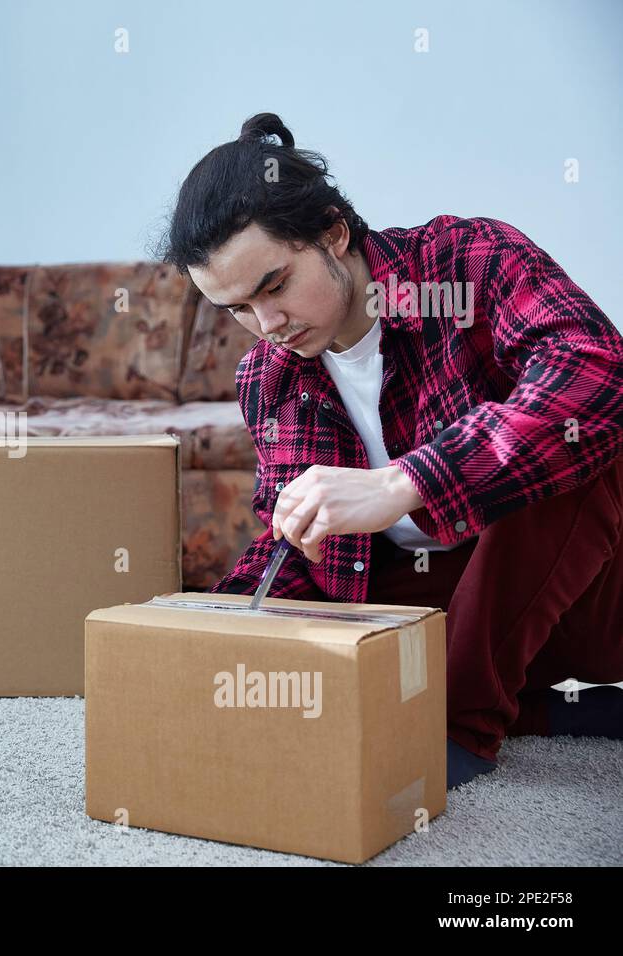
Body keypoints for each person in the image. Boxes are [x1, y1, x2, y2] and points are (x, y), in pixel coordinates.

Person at [156, 112, 623, 789]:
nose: (267, 326)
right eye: (236, 310)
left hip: (581, 596)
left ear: (334, 232)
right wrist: (214, 640)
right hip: (456, 616)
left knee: (573, 450)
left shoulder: (466, 262)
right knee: (314, 592)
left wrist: (404, 483)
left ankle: (453, 726)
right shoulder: (269, 377)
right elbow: (297, 547)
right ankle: (547, 712)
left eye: (274, 285)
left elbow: (597, 373)